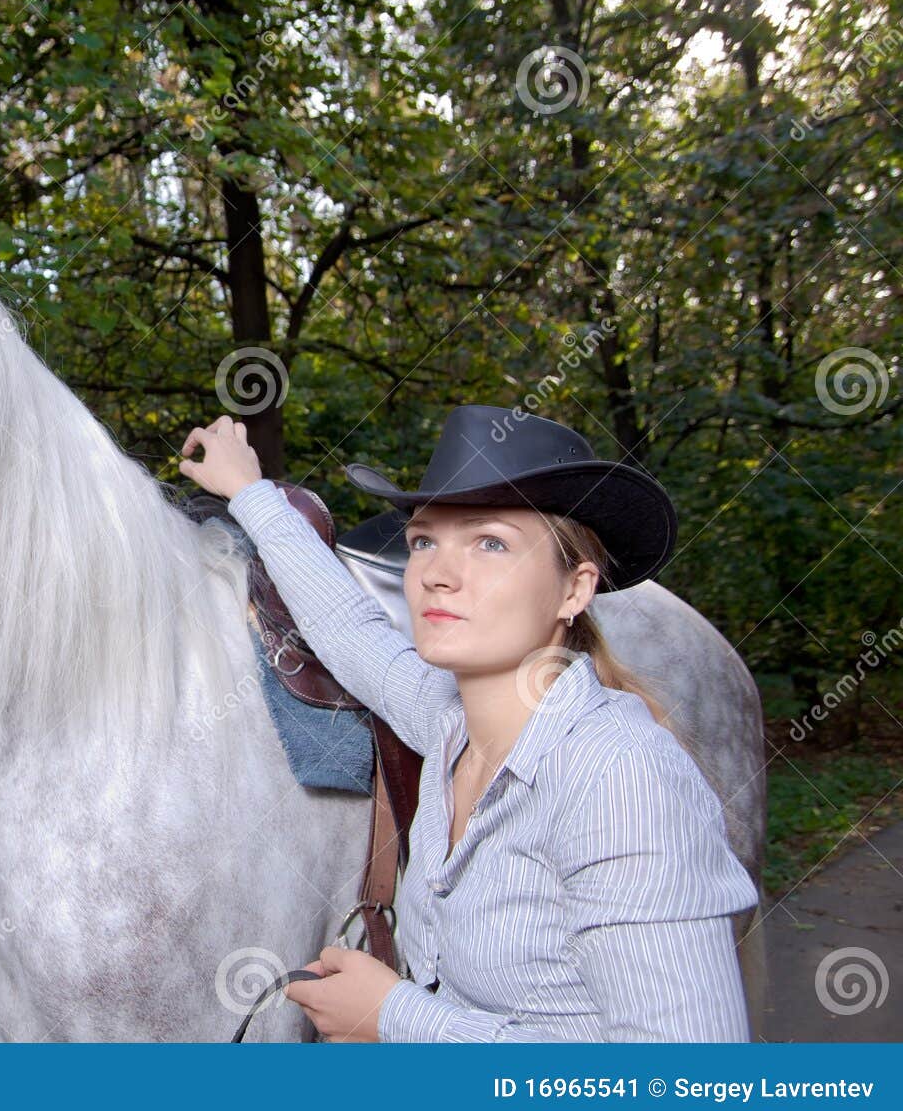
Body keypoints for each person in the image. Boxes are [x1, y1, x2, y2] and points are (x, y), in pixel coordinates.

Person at [179, 405, 759, 1042]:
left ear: (575, 590)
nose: (437, 574)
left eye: (490, 543)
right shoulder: (448, 725)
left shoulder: (619, 778)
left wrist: (394, 1016)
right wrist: (250, 491)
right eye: (424, 540)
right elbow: (348, 628)